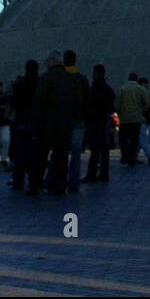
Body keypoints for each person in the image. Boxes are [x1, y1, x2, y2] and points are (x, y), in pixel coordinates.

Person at [32, 51, 86, 194]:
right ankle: (60, 186)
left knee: (41, 156)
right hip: (66, 124)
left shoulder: (45, 78)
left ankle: (36, 184)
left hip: (47, 124)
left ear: (51, 61)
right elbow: (78, 102)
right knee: (61, 156)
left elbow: (39, 103)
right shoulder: (71, 79)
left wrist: (36, 122)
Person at [7, 60, 40, 191]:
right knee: (35, 155)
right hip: (35, 122)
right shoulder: (40, 84)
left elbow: (14, 103)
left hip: (21, 121)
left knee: (19, 153)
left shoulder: (19, 84)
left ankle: (18, 182)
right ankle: (33, 183)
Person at [61, 50, 91, 190]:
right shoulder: (81, 78)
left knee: (60, 152)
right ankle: (73, 182)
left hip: (61, 120)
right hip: (78, 120)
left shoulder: (59, 78)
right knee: (76, 153)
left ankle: (58, 180)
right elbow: (87, 100)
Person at [84, 64, 115, 182]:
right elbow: (113, 105)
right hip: (104, 120)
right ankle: (104, 174)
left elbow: (88, 103)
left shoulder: (95, 87)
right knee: (104, 149)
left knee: (95, 149)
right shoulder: (108, 88)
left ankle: (91, 174)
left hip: (95, 121)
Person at [115, 73, 149, 166]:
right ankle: (132, 158)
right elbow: (146, 104)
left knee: (123, 139)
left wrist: (120, 113)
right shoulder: (141, 89)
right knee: (134, 140)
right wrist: (141, 112)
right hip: (136, 119)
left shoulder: (121, 89)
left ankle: (125, 156)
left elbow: (116, 104)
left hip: (124, 119)